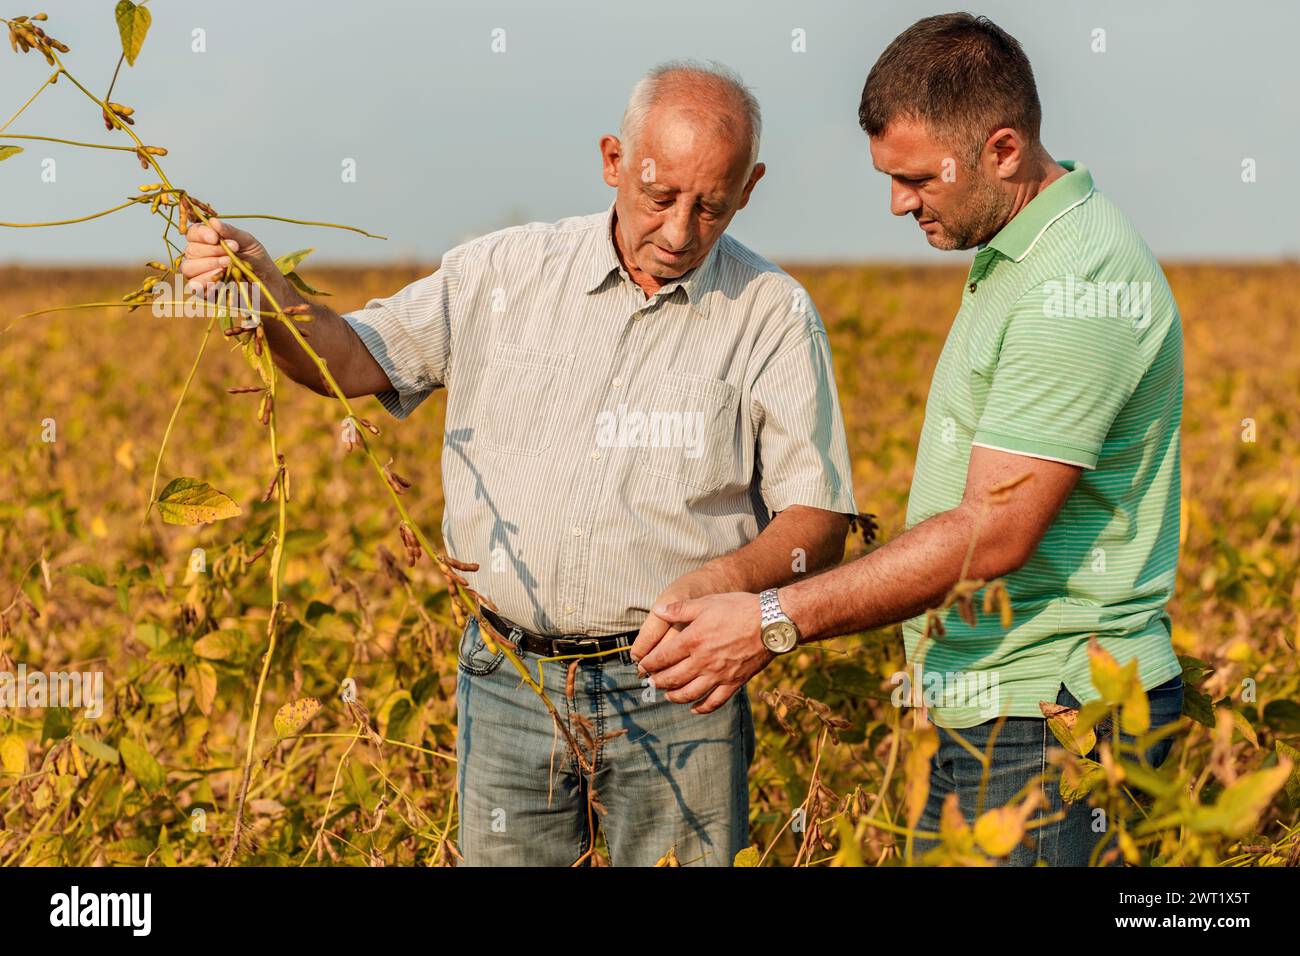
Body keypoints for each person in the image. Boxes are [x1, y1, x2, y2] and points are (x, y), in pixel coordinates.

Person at [181, 60, 857, 866]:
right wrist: (265, 294)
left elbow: (816, 520)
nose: (679, 232)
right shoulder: (500, 273)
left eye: (710, 205)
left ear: (749, 190)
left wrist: (725, 584)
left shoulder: (772, 314)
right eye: (659, 196)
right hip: (506, 679)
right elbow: (355, 359)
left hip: (681, 685)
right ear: (613, 160)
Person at [635, 15, 1185, 866]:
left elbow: (992, 533)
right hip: (1004, 715)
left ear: (1003, 150)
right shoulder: (1020, 251)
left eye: (918, 178)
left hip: (1059, 720)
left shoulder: (1079, 281)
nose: (899, 203)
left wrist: (772, 620)